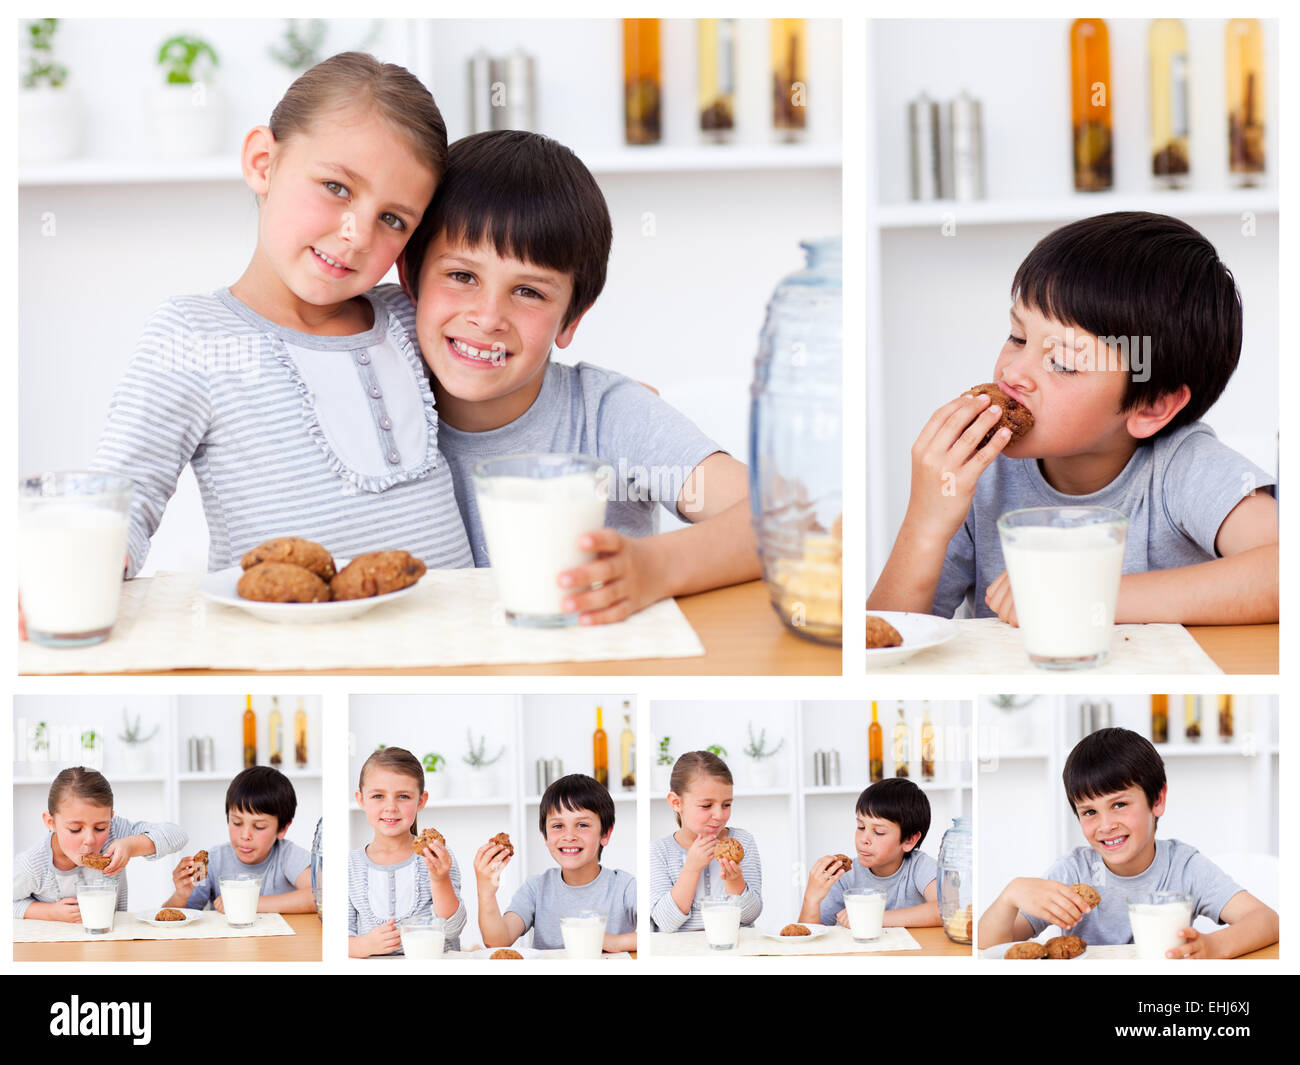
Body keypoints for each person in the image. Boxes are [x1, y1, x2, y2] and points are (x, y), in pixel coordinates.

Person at [92, 52, 471, 578]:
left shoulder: (412, 320)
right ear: (263, 164)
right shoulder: (197, 334)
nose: (357, 235)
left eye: (392, 218)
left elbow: (517, 403)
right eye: (336, 187)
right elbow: (120, 500)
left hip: (453, 648)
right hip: (287, 651)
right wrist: (84, 568)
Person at [398, 130, 760, 624]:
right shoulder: (380, 404)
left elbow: (789, 524)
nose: (488, 317)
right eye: (462, 276)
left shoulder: (609, 416)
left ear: (571, 320)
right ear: (410, 279)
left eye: (528, 291)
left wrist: (654, 568)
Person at [868, 212, 1278, 625]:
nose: (1012, 374)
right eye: (1018, 338)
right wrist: (924, 523)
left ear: (1151, 406)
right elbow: (884, 641)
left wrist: (1094, 595)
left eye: (1063, 362)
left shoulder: (1183, 468)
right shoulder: (975, 477)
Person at [978, 727, 1278, 958]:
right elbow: (989, 946)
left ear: (1157, 800)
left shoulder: (1185, 867)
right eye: (1090, 812)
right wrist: (1010, 895)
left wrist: (1213, 947)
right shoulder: (1073, 872)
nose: (1106, 825)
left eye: (1119, 804)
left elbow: (1267, 920)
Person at [475, 774, 636, 952]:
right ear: (545, 835)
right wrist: (486, 893)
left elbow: (661, 934)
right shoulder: (535, 889)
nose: (569, 836)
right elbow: (498, 941)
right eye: (558, 826)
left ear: (605, 834)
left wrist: (614, 942)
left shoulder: (624, 887)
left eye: (582, 825)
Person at [14, 766, 187, 920]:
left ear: (110, 820)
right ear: (50, 822)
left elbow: (178, 835)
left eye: (100, 828)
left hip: (110, 940)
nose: (90, 840)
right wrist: (49, 912)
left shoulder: (116, 833)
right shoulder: (32, 865)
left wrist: (132, 846)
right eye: (75, 829)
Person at [348, 747, 467, 957]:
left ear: (421, 800)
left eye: (403, 796)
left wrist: (440, 879)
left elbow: (451, 930)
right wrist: (362, 946)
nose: (391, 807)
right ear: (361, 799)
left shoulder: (436, 855)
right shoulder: (350, 866)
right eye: (378, 796)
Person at [161, 765, 314, 914]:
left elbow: (320, 896)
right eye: (237, 823)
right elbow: (174, 918)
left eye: (259, 826)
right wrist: (180, 895)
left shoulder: (287, 856)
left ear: (282, 829)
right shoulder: (210, 860)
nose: (245, 835)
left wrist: (249, 903)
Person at [799, 777, 939, 928]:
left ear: (909, 840)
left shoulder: (920, 867)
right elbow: (808, 937)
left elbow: (947, 910)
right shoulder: (845, 875)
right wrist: (810, 899)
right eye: (860, 827)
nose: (864, 839)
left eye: (878, 832)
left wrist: (875, 917)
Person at [649, 750, 761, 931]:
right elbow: (665, 923)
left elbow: (751, 916)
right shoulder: (660, 852)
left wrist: (735, 882)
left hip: (733, 949)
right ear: (676, 803)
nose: (719, 815)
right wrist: (691, 869)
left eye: (726, 804)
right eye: (706, 805)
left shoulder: (743, 842)